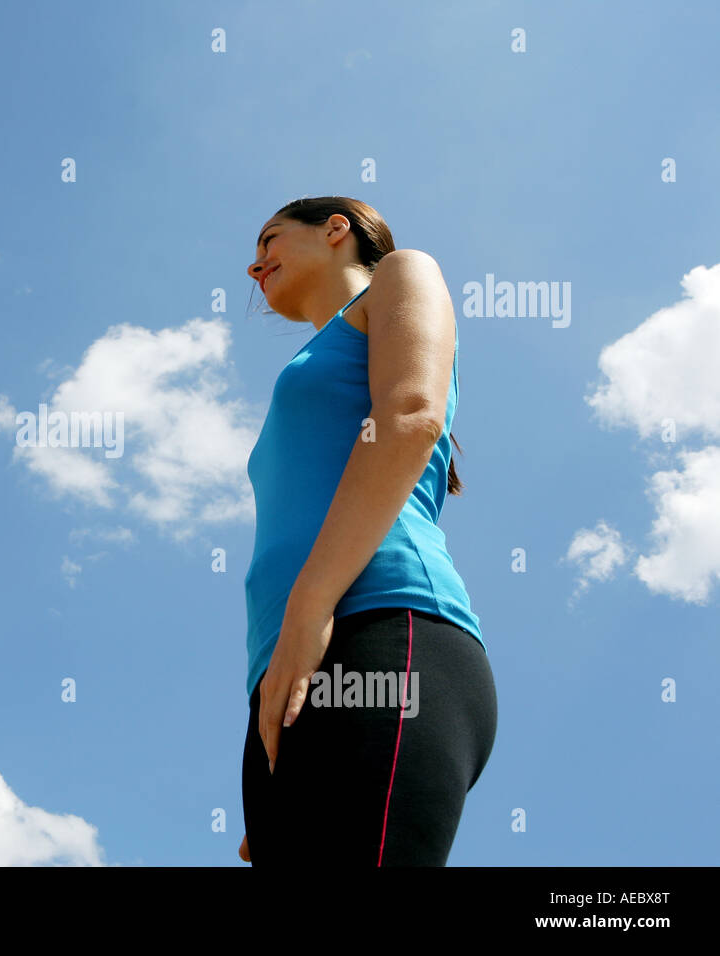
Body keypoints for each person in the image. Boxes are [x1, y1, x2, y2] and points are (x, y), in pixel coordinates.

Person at [237, 197, 496, 866]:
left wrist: (310, 605)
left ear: (335, 230)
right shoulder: (307, 363)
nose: (253, 263)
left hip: (385, 628)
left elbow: (412, 414)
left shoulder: (403, 275)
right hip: (286, 674)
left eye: (271, 239)